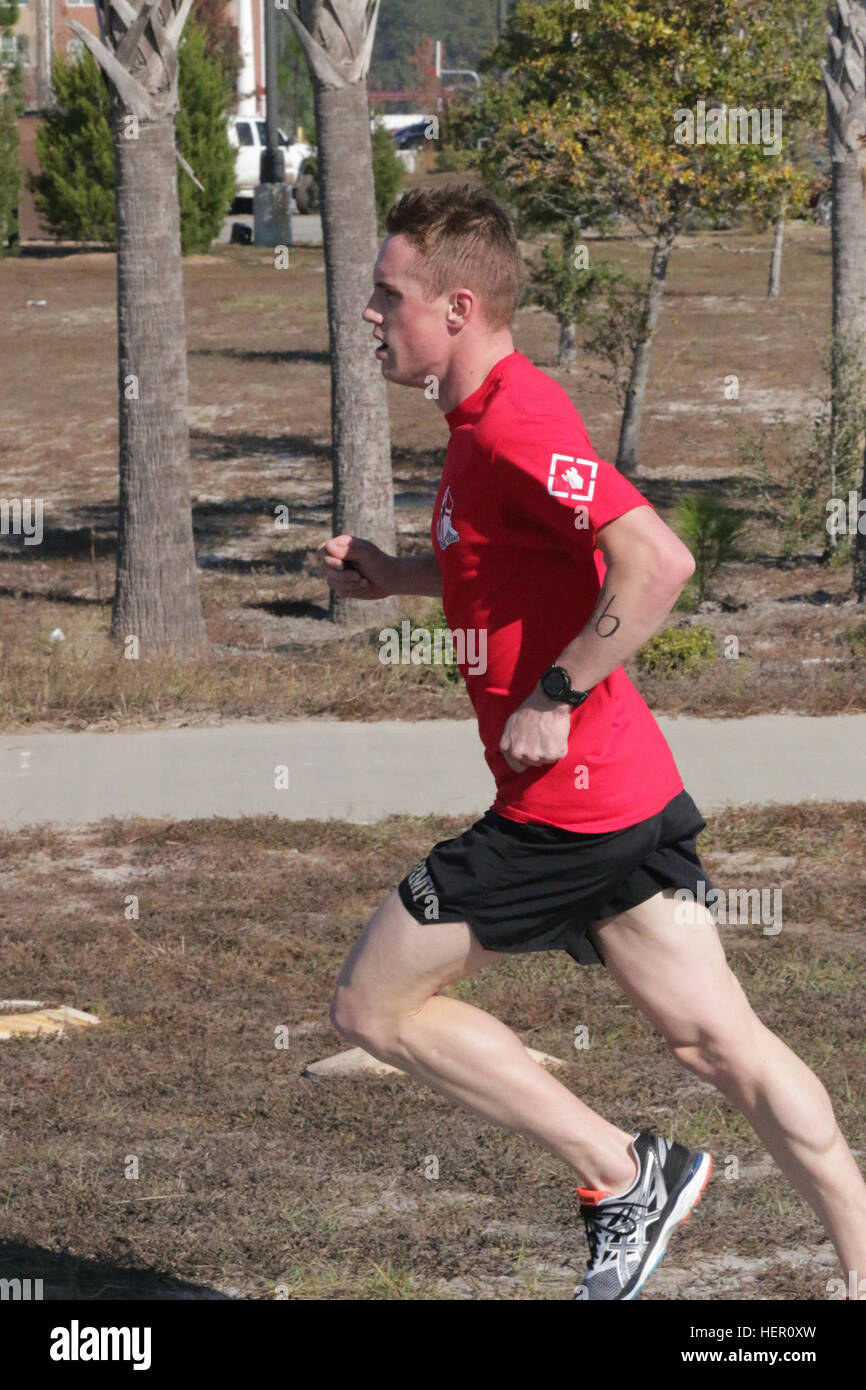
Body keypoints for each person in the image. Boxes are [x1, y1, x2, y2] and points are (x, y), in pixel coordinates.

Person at [316, 184, 866, 1301]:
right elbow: (508, 562)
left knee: (370, 1006)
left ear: (456, 307)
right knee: (722, 1047)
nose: (369, 316)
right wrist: (398, 573)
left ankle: (626, 1174)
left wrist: (556, 689)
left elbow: (656, 562)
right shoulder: (475, 425)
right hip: (616, 794)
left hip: (564, 805)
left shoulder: (516, 421)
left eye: (387, 296)